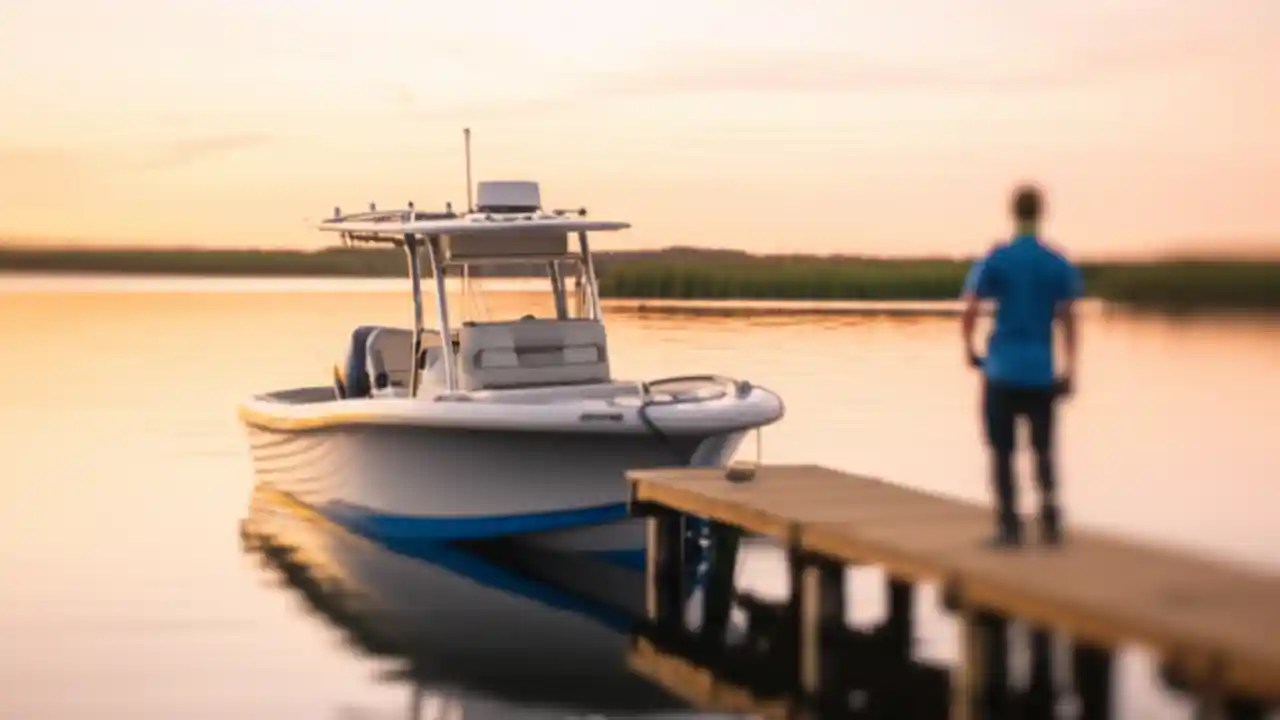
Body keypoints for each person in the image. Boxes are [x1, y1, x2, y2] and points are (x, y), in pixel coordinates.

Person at [961, 185, 1082, 546]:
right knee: (1043, 448)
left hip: (1002, 369)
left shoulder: (997, 259)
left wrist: (969, 348)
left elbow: (971, 308)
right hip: (1041, 371)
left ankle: (1009, 527)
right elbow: (1068, 318)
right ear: (1042, 212)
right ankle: (1049, 519)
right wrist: (1071, 367)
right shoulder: (1056, 261)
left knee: (1002, 450)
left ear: (1013, 212)